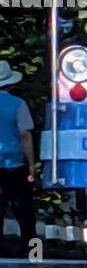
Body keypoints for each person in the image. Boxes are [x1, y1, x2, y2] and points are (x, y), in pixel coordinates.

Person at [0, 61, 37, 257]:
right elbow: (25, 135)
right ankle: (34, 252)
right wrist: (31, 165)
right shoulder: (18, 104)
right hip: (15, 164)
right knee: (25, 212)